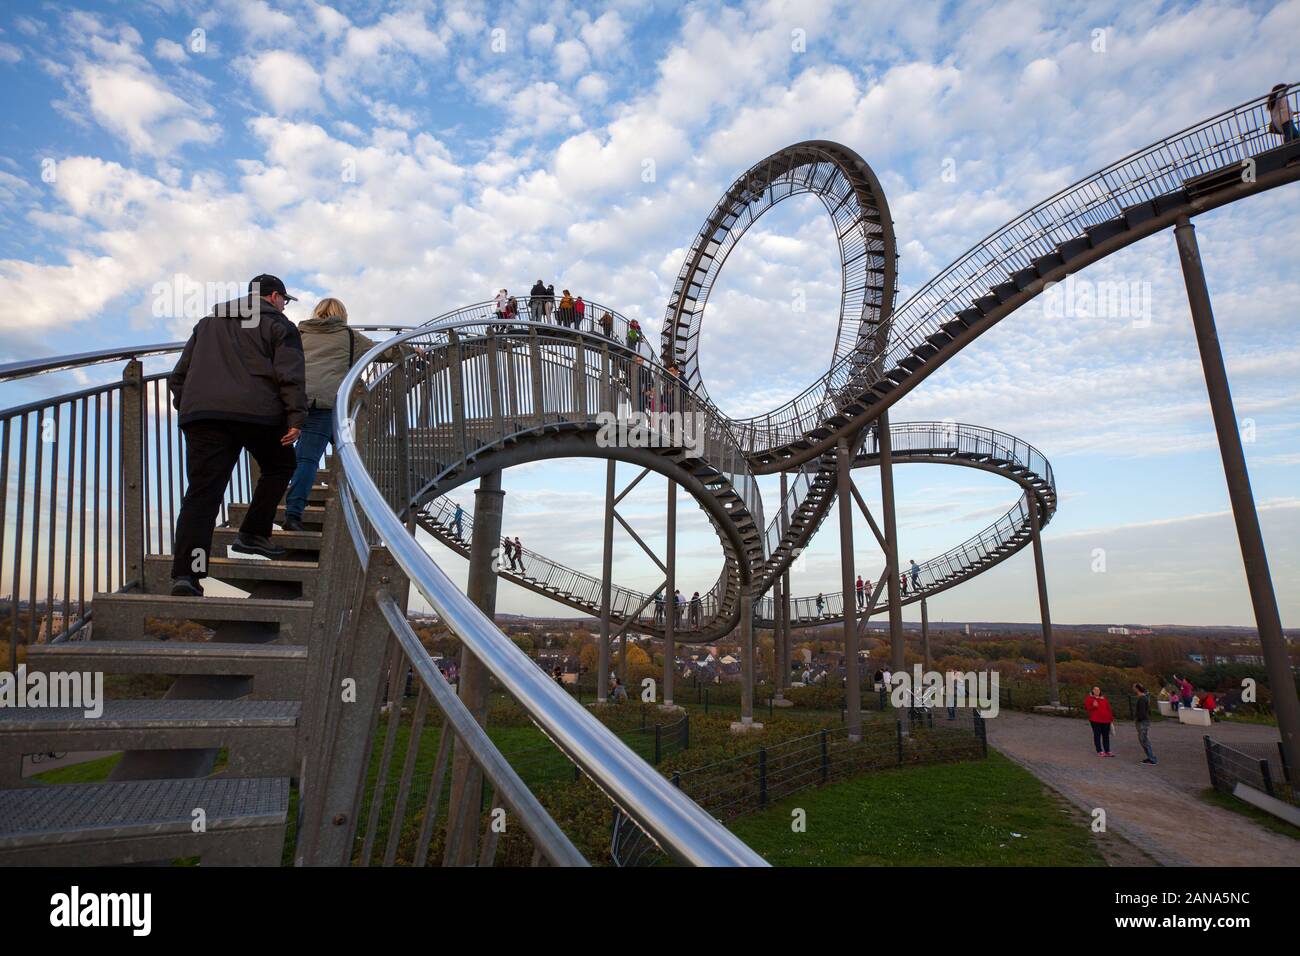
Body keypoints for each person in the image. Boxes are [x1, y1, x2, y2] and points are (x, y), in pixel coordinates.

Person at [168, 274, 305, 595]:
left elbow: (180, 375)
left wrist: (191, 405)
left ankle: (187, 576)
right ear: (273, 296)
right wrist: (296, 417)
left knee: (203, 493)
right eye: (285, 299)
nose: (285, 305)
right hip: (258, 415)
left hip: (204, 417)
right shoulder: (280, 326)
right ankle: (253, 533)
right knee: (280, 466)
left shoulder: (208, 323)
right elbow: (291, 376)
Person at [283, 296, 404, 531]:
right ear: (342, 315)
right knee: (352, 453)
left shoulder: (299, 334)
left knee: (306, 458)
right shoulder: (348, 336)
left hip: (298, 402)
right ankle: (295, 512)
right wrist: (410, 349)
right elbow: (383, 352)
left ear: (316, 313)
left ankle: (293, 509)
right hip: (330, 406)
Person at [1084, 686, 1115, 757]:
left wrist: (1111, 718)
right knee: (1097, 735)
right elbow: (1087, 708)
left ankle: (1107, 750)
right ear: (1092, 691)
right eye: (1095, 690)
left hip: (1106, 720)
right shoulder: (1089, 698)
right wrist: (1093, 706)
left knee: (1106, 736)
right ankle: (1099, 750)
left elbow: (1108, 708)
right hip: (1095, 720)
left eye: (1098, 690)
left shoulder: (1103, 699)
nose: (1097, 691)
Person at [1133, 683, 1157, 764]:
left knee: (1144, 739)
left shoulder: (1142, 698)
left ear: (1137, 689)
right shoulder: (1144, 697)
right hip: (1143, 721)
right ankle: (1150, 757)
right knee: (1143, 739)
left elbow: (1142, 711)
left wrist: (1139, 719)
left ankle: (1152, 758)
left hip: (1142, 722)